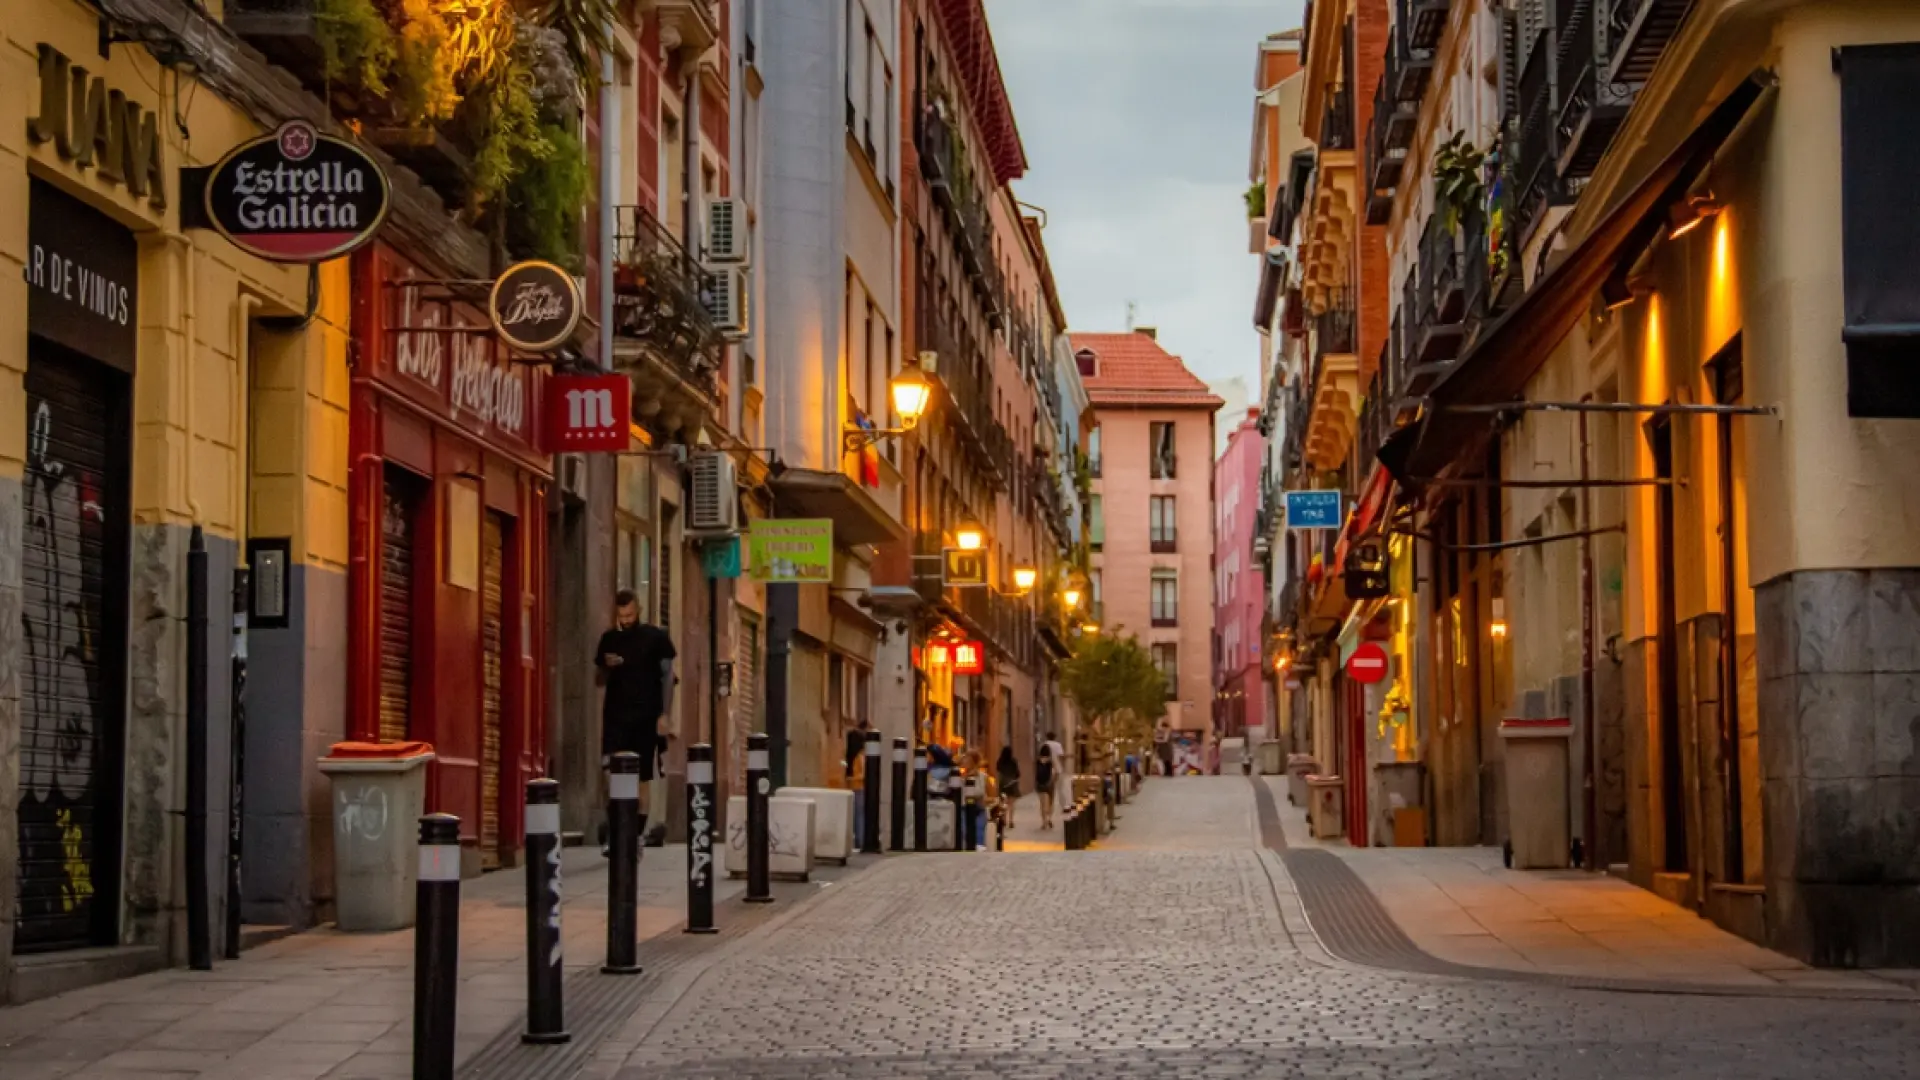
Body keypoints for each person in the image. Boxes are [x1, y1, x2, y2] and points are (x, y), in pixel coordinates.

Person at [595, 589, 676, 857]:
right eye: (621, 616)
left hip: (645, 718)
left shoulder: (655, 638)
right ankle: (617, 831)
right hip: (616, 717)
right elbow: (598, 680)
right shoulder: (609, 639)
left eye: (629, 615)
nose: (625, 620)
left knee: (642, 778)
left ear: (638, 610)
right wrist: (608, 667)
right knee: (611, 774)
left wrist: (664, 713)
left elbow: (668, 676)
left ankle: (637, 834)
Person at [845, 718, 872, 849]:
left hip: (854, 786)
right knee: (860, 815)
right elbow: (863, 774)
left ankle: (858, 839)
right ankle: (860, 840)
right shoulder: (861, 756)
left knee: (857, 814)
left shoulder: (852, 756)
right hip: (860, 786)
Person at [1036, 732, 1064, 830]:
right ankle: (1049, 818)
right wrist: (1054, 780)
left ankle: (1044, 821)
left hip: (1040, 782)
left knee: (1042, 803)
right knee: (1050, 801)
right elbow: (1060, 758)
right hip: (1050, 781)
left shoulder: (1042, 747)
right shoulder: (1057, 747)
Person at [995, 745, 1021, 830]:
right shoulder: (1013, 761)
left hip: (1003, 784)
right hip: (1012, 784)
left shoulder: (1000, 761)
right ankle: (1011, 821)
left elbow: (998, 771)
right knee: (1011, 804)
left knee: (1003, 803)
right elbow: (1018, 774)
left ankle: (1004, 820)